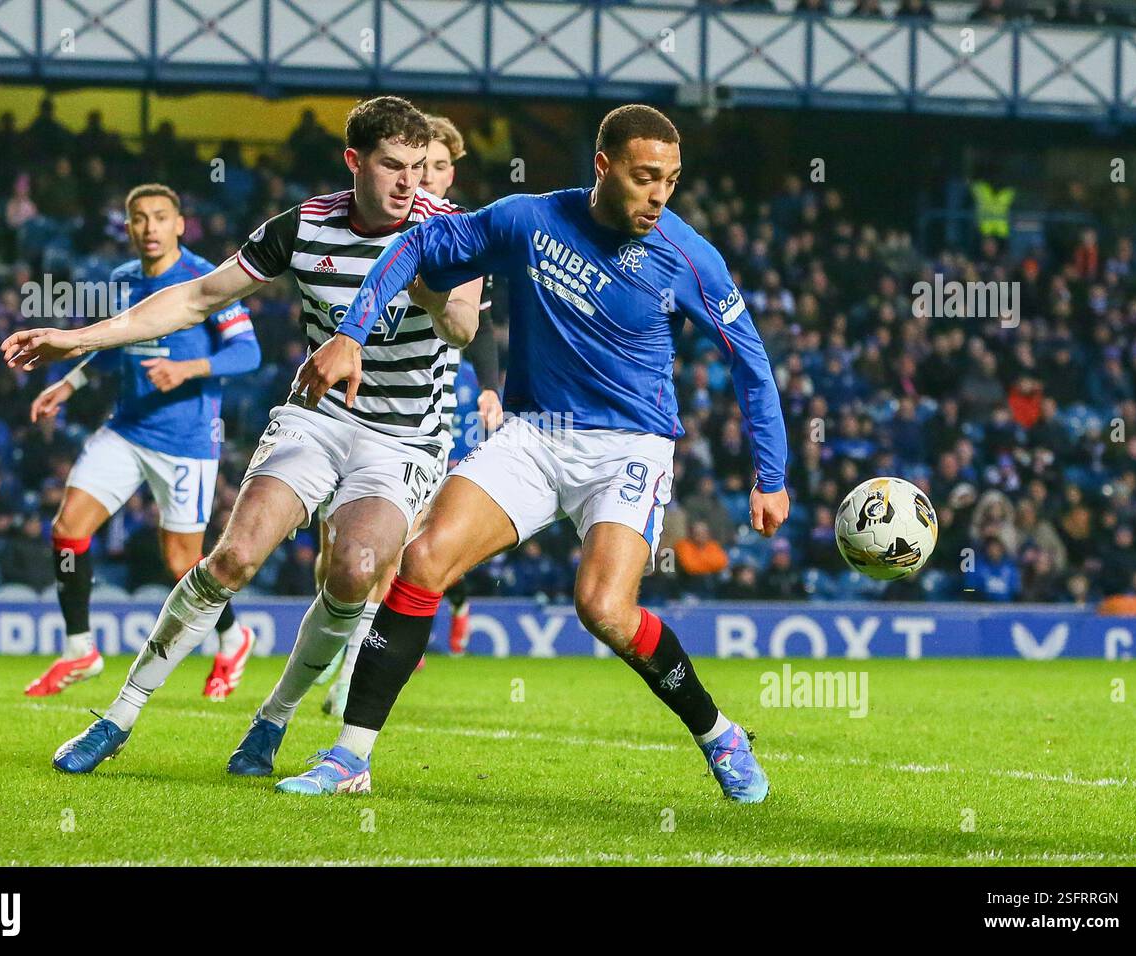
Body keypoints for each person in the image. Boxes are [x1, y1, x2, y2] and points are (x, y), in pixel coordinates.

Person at [276, 104, 789, 802]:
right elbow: (415, 247)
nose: (659, 195)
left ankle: (717, 731)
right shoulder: (529, 220)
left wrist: (770, 474)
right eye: (644, 177)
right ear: (603, 167)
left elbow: (750, 361)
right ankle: (350, 758)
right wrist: (351, 333)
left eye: (670, 180)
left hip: (627, 447)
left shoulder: (688, 256)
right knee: (423, 560)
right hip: (534, 435)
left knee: (604, 609)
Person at [3, 96, 482, 775]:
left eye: (416, 166)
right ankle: (118, 716)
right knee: (231, 559)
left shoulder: (453, 229)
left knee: (353, 571)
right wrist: (78, 338)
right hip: (318, 417)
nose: (408, 182)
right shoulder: (304, 225)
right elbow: (197, 297)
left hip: (403, 438)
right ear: (354, 162)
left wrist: (427, 283)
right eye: (390, 166)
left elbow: (463, 327)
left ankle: (272, 720)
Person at [20, 183, 262, 701]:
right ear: (128, 227)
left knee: (183, 564)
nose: (150, 227)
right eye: (139, 218)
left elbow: (248, 353)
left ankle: (233, 637)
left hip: (185, 439)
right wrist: (69, 384)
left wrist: (188, 368)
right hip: (127, 428)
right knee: (68, 528)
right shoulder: (123, 279)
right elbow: (113, 347)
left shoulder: (207, 278)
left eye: (160, 217)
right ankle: (79, 649)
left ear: (180, 224)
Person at [319, 113, 505, 720]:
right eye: (421, 166)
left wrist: (490, 388)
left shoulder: (457, 237)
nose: (426, 178)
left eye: (438, 167)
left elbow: (475, 325)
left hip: (422, 417)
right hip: (344, 407)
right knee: (335, 554)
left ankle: (356, 668)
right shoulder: (367, 226)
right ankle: (348, 646)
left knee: (396, 542)